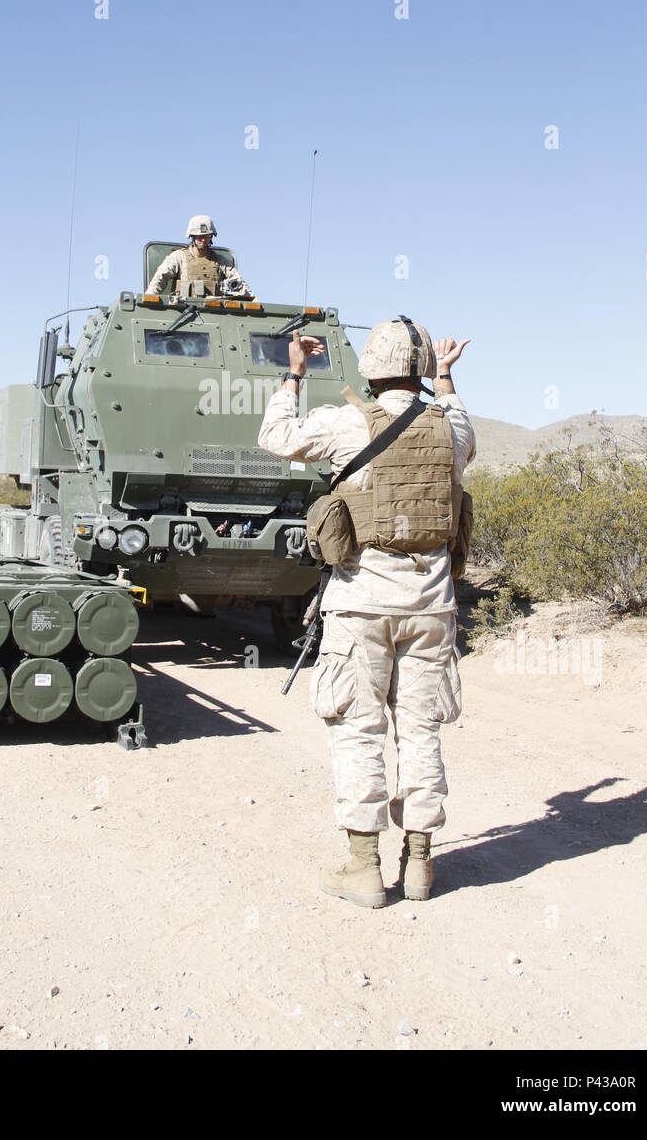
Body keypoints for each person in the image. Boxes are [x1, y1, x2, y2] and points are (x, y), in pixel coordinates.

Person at [257, 318, 475, 907]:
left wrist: (295, 373)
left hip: (360, 606)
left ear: (370, 369)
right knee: (422, 732)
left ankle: (363, 869)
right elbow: (464, 438)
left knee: (358, 731)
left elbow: (275, 437)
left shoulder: (346, 421)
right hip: (432, 609)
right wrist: (447, 378)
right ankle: (421, 866)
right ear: (423, 366)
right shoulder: (450, 426)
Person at [146, 217, 255, 299]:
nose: (204, 240)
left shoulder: (220, 261)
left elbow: (239, 283)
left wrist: (254, 301)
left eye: (207, 236)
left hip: (214, 312)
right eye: (200, 237)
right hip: (182, 312)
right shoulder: (178, 257)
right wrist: (149, 299)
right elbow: (160, 278)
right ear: (192, 237)